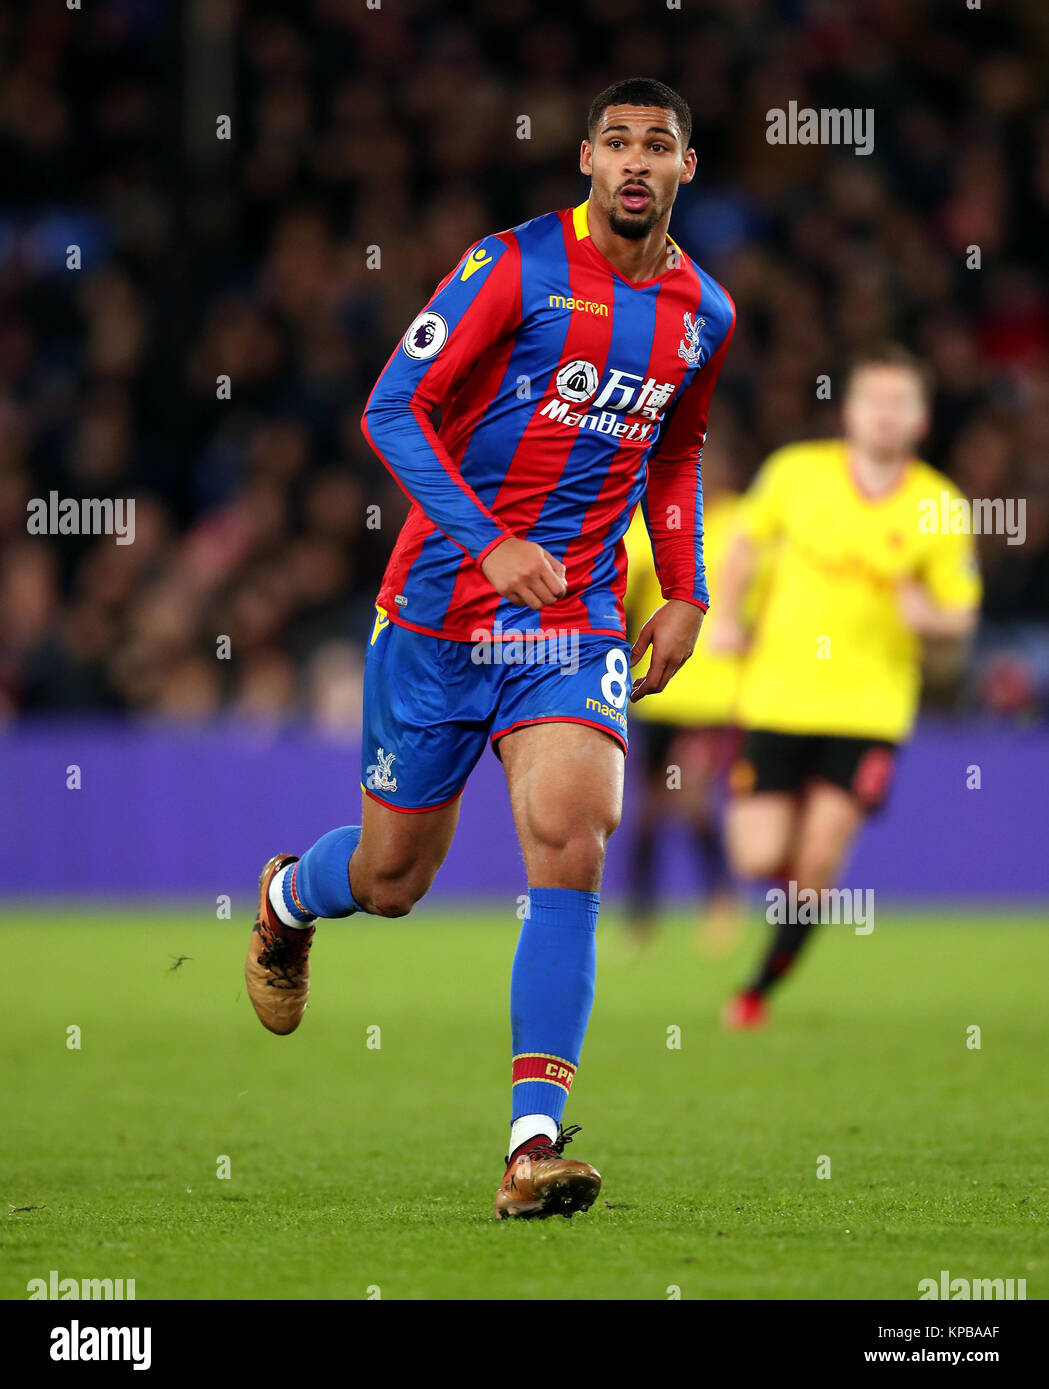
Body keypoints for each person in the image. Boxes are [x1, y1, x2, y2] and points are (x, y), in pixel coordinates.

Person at [243, 77, 736, 1218]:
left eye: (654, 146)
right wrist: (490, 537)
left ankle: (530, 1144)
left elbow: (675, 452)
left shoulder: (703, 312)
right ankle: (289, 898)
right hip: (437, 611)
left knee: (573, 831)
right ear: (581, 158)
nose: (631, 162)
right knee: (392, 876)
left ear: (683, 171)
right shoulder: (512, 265)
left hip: (572, 618)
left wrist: (687, 592)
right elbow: (390, 407)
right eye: (613, 142)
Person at [706, 347, 981, 1029]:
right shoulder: (795, 475)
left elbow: (961, 612)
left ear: (919, 420)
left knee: (817, 860)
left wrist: (933, 620)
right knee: (758, 854)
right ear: (849, 410)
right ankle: (793, 854)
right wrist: (728, 616)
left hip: (868, 708)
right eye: (871, 400)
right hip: (776, 695)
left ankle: (754, 992)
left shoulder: (938, 505)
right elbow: (744, 544)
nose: (883, 415)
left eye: (899, 403)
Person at [622, 437, 750, 952]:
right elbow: (620, 585)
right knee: (650, 812)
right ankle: (640, 920)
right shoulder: (653, 522)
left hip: (715, 697)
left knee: (692, 798)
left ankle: (721, 903)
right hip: (657, 693)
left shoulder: (746, 525)